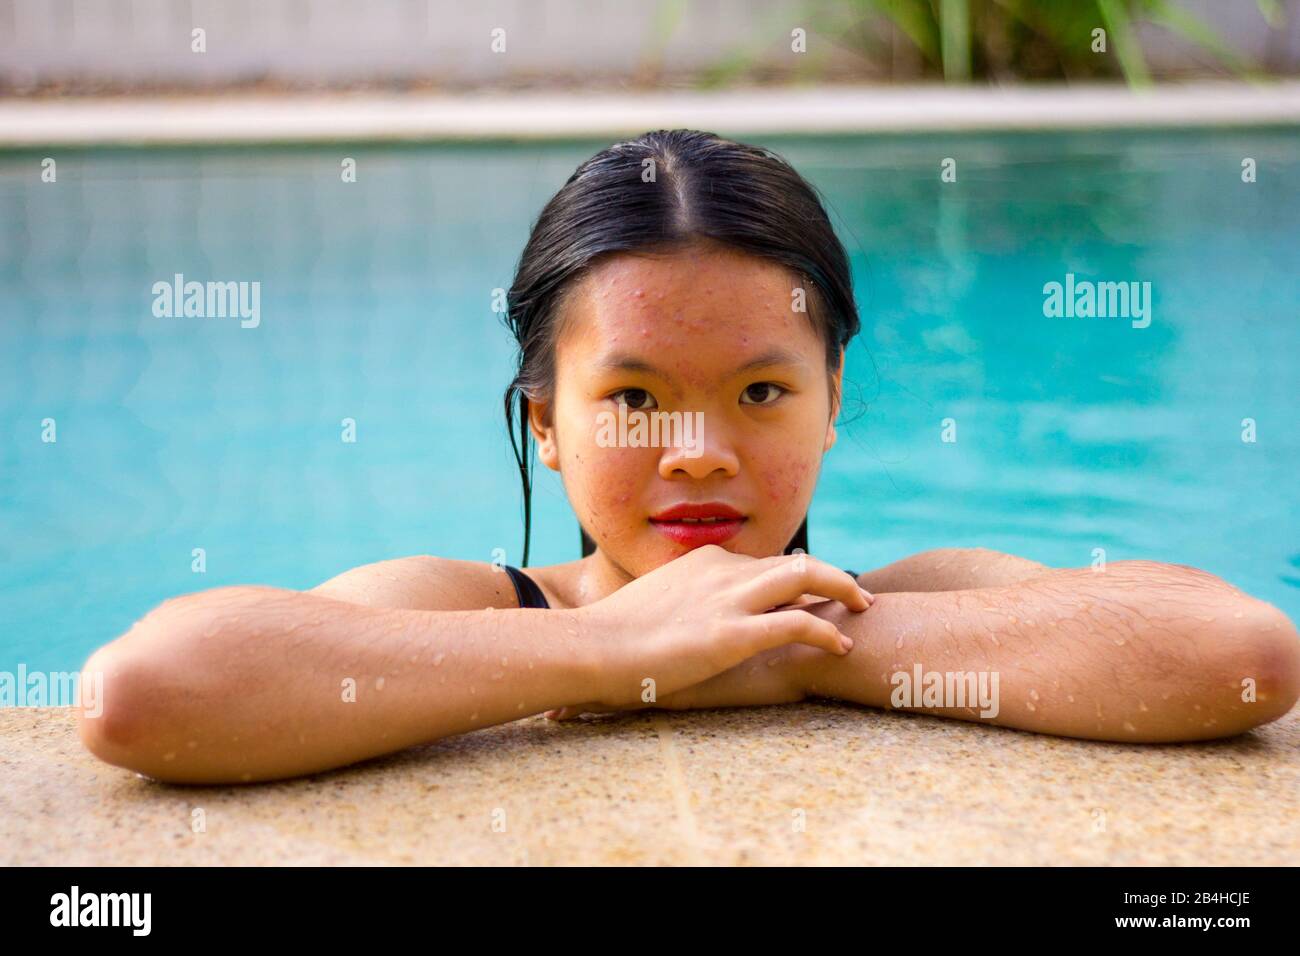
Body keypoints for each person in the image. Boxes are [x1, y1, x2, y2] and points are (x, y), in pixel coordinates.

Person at [78, 130, 1299, 784]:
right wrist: (611, 646)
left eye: (762, 389)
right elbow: (146, 691)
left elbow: (1240, 656)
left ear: (832, 404)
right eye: (636, 397)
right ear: (545, 423)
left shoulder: (912, 600)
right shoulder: (474, 608)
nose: (699, 451)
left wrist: (781, 650)